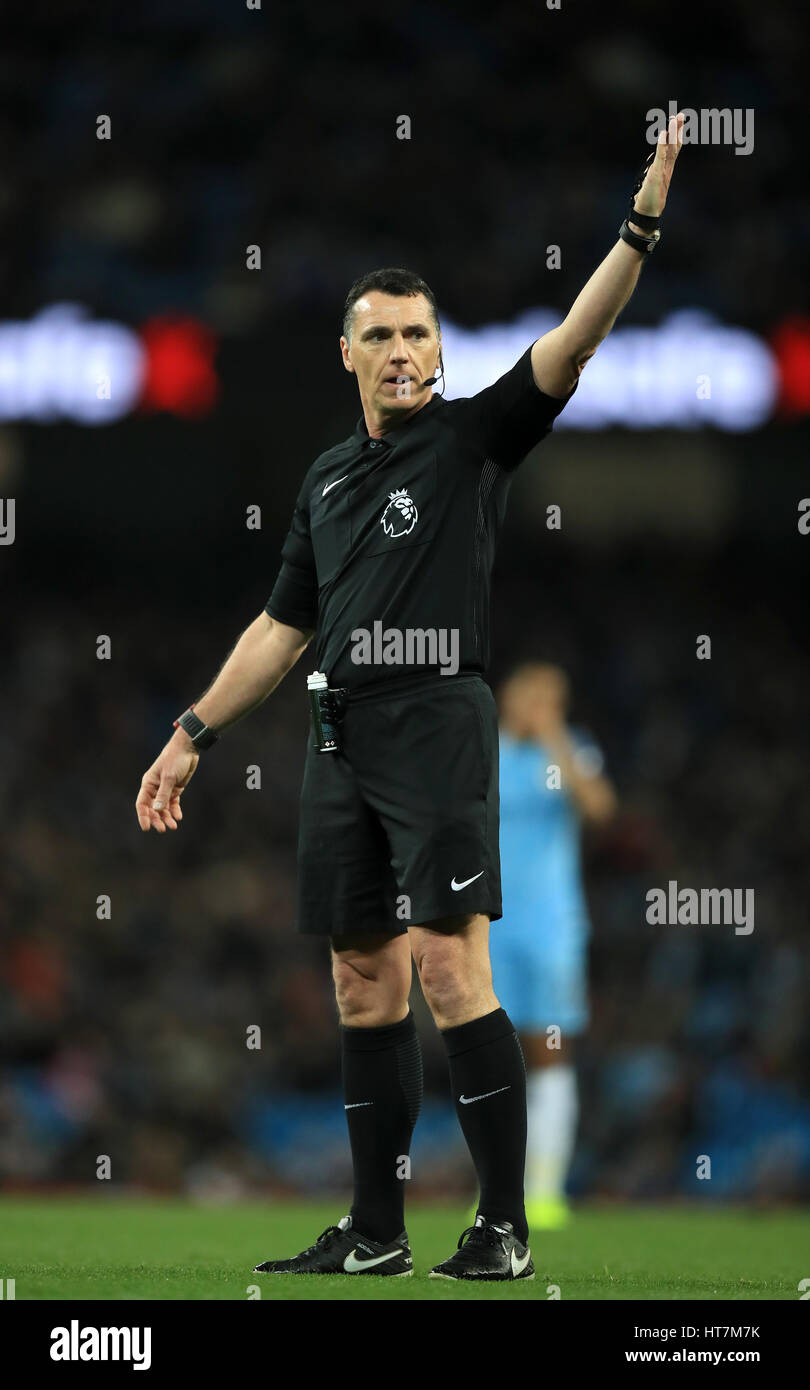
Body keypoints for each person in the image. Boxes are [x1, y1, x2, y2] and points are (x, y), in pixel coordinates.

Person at [135, 113, 684, 1282]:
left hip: (438, 721)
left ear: (439, 352)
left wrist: (637, 225)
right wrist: (193, 729)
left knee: (448, 967)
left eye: (418, 333)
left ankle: (502, 1226)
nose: (400, 350)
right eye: (379, 333)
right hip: (340, 734)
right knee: (361, 977)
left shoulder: (472, 441)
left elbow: (573, 345)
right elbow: (282, 630)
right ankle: (375, 1231)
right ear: (348, 353)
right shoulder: (327, 480)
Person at [489, 664, 616, 1233]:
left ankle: (544, 1190)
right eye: (526, 695)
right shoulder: (482, 751)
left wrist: (554, 735)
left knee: (548, 1050)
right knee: (487, 1053)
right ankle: (493, 1188)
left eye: (548, 699)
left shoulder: (571, 751)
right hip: (487, 924)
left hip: (549, 927)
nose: (534, 706)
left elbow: (599, 808)